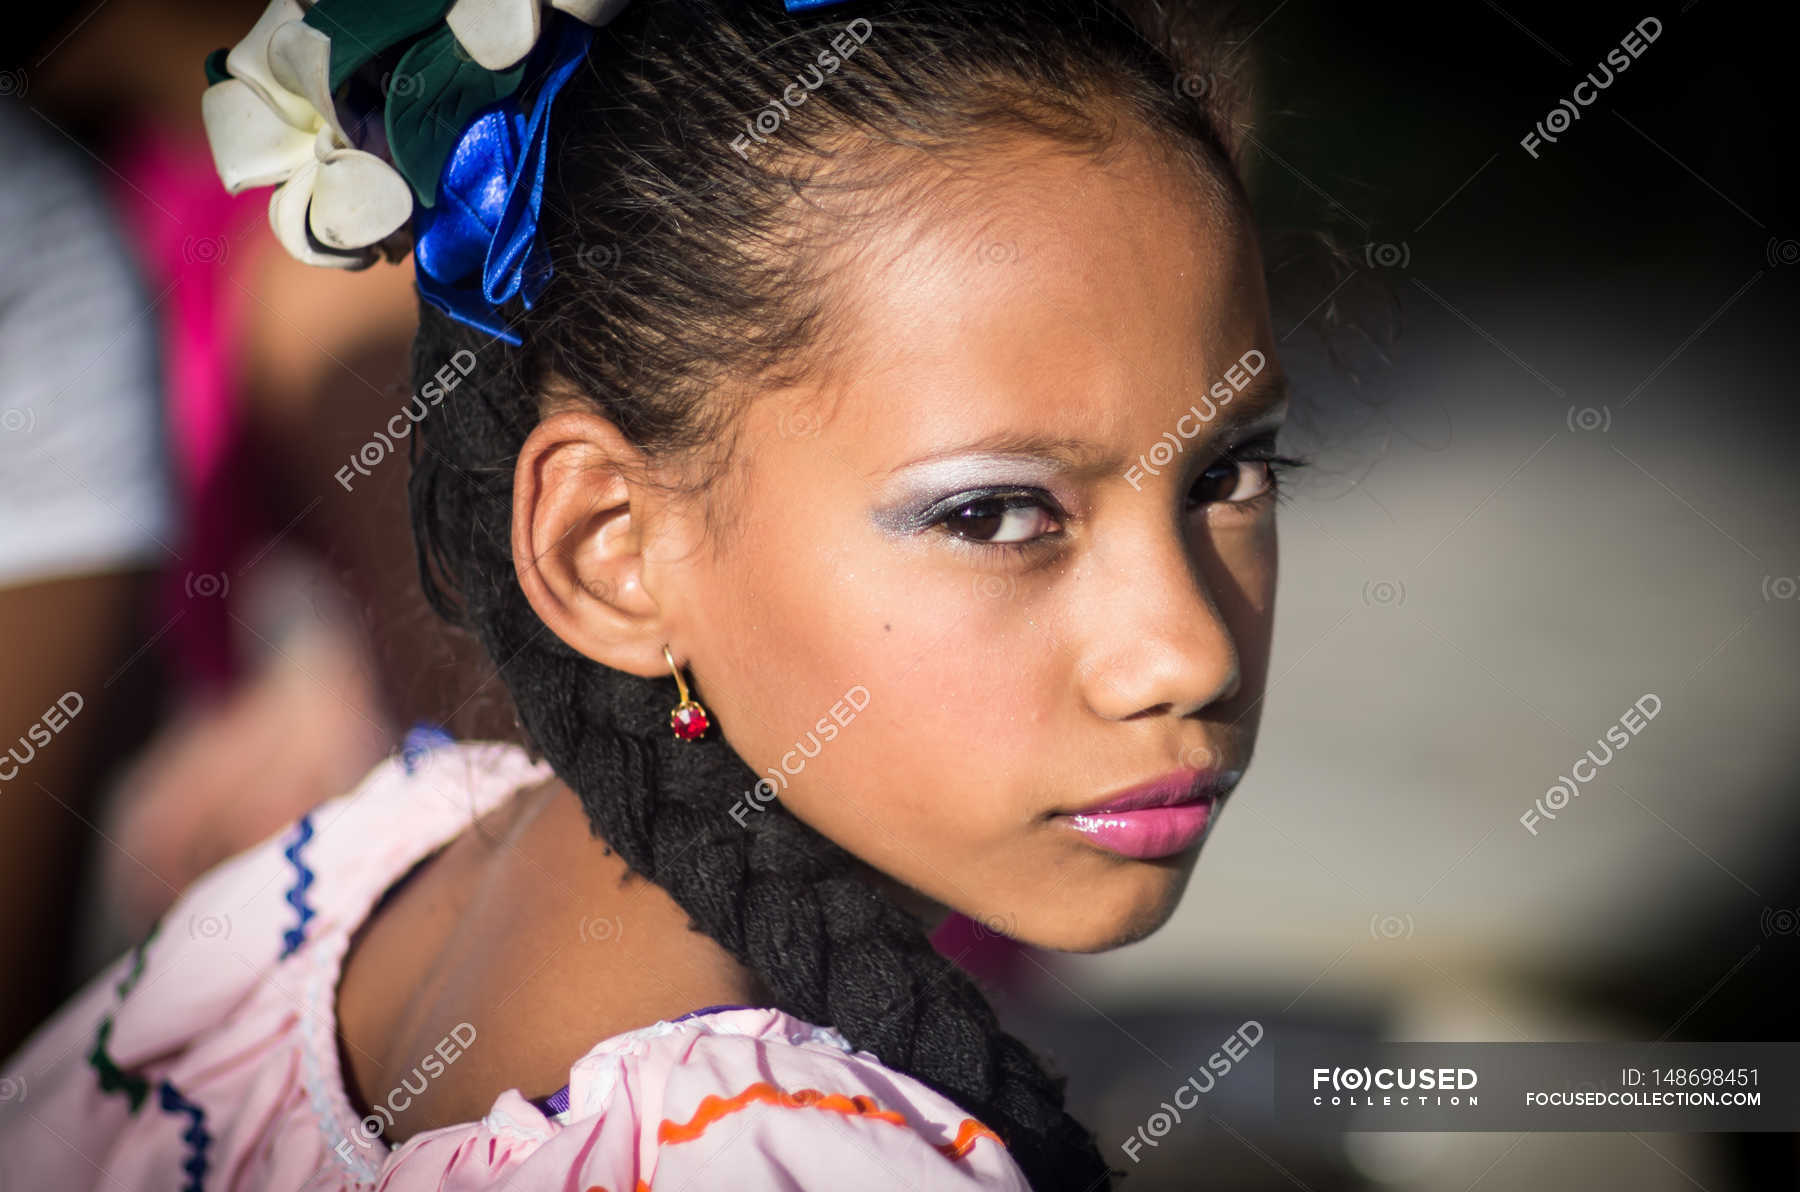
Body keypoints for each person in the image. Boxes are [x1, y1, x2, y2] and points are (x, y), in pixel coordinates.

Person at [0, 0, 1337, 1186]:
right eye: (990, 512)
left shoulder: (345, 887)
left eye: (1232, 468)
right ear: (608, 553)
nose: (1186, 652)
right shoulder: (803, 1156)